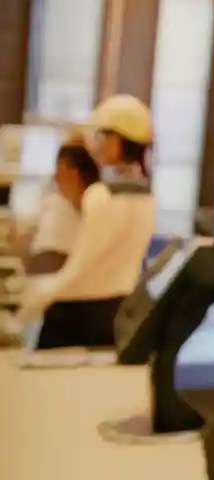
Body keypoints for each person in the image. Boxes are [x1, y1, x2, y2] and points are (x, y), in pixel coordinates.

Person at [18, 95, 157, 349]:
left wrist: (34, 296)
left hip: (75, 317)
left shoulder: (99, 195)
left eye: (102, 137)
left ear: (116, 140)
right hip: (117, 314)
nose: (98, 145)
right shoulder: (147, 197)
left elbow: (81, 268)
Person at [21, 136, 101, 274]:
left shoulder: (98, 206)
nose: (56, 178)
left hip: (67, 272)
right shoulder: (53, 203)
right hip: (43, 270)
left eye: (60, 172)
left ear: (74, 175)